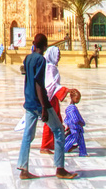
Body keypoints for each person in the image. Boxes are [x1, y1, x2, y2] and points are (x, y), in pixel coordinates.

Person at [16, 34, 77, 180]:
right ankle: (60, 168)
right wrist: (44, 107)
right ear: (44, 46)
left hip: (29, 102)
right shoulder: (41, 60)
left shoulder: (28, 58)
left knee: (27, 136)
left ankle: (23, 169)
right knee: (59, 130)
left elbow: (25, 73)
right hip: (40, 103)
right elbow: (39, 83)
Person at [40, 46, 68, 154]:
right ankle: (45, 146)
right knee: (50, 122)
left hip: (53, 98)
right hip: (51, 98)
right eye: (58, 54)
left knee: (58, 122)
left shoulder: (49, 67)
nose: (59, 57)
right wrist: (66, 90)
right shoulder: (51, 68)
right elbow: (52, 85)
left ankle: (61, 144)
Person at [62, 88, 86, 156]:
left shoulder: (73, 107)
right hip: (75, 128)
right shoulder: (71, 108)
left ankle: (83, 153)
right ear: (72, 98)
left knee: (81, 141)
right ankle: (62, 150)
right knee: (71, 140)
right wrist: (80, 122)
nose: (78, 100)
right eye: (77, 98)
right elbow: (74, 119)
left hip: (78, 128)